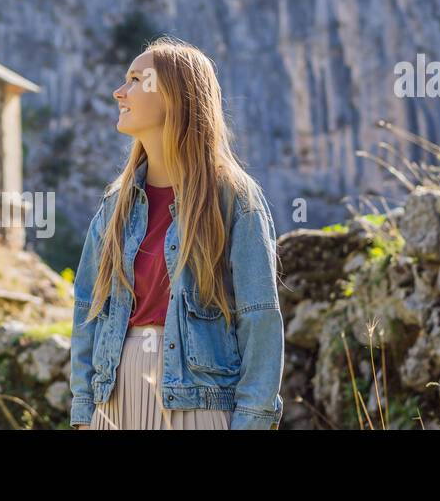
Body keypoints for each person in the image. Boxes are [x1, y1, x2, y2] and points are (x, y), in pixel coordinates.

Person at [69, 36, 285, 430]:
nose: (120, 91)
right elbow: (88, 311)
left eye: (136, 79)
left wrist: (252, 420)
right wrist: (85, 412)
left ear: (174, 95)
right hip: (114, 399)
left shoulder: (233, 197)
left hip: (199, 404)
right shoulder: (115, 205)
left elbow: (259, 318)